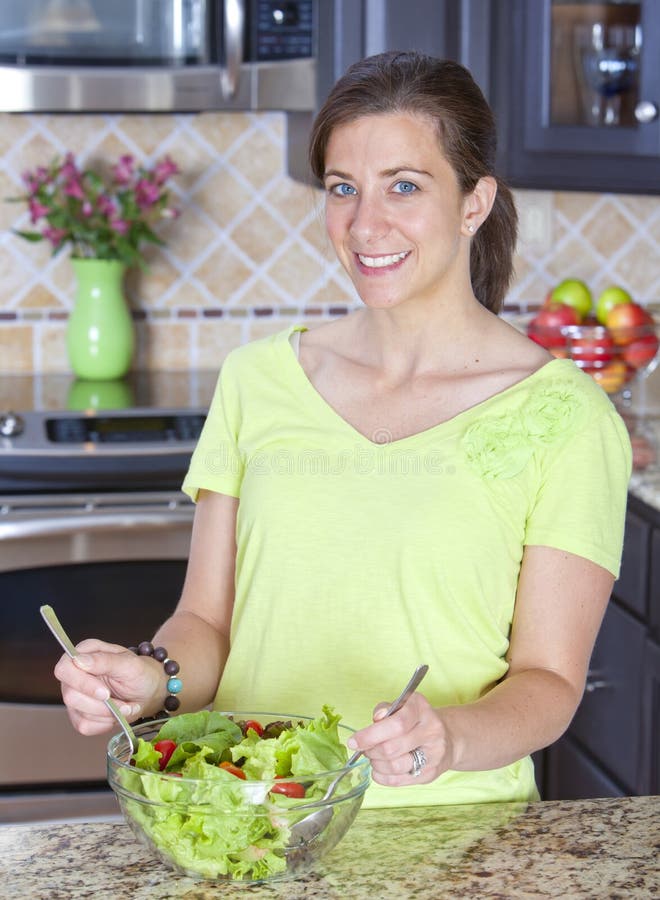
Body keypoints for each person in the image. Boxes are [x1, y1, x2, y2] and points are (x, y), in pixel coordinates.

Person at [54, 51, 632, 808]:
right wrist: (153, 677)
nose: (365, 224)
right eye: (342, 189)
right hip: (256, 820)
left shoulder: (565, 417)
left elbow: (549, 684)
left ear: (474, 202)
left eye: (404, 186)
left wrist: (449, 736)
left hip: (450, 836)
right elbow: (205, 621)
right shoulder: (258, 379)